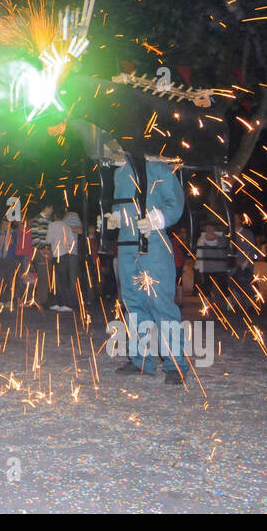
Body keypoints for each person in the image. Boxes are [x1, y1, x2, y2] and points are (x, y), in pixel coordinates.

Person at [106, 153, 190, 384]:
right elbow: (122, 206)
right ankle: (141, 360)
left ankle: (176, 364)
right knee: (133, 303)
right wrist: (115, 218)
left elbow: (175, 203)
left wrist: (156, 219)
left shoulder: (157, 167)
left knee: (160, 303)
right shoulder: (118, 172)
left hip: (152, 242)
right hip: (126, 245)